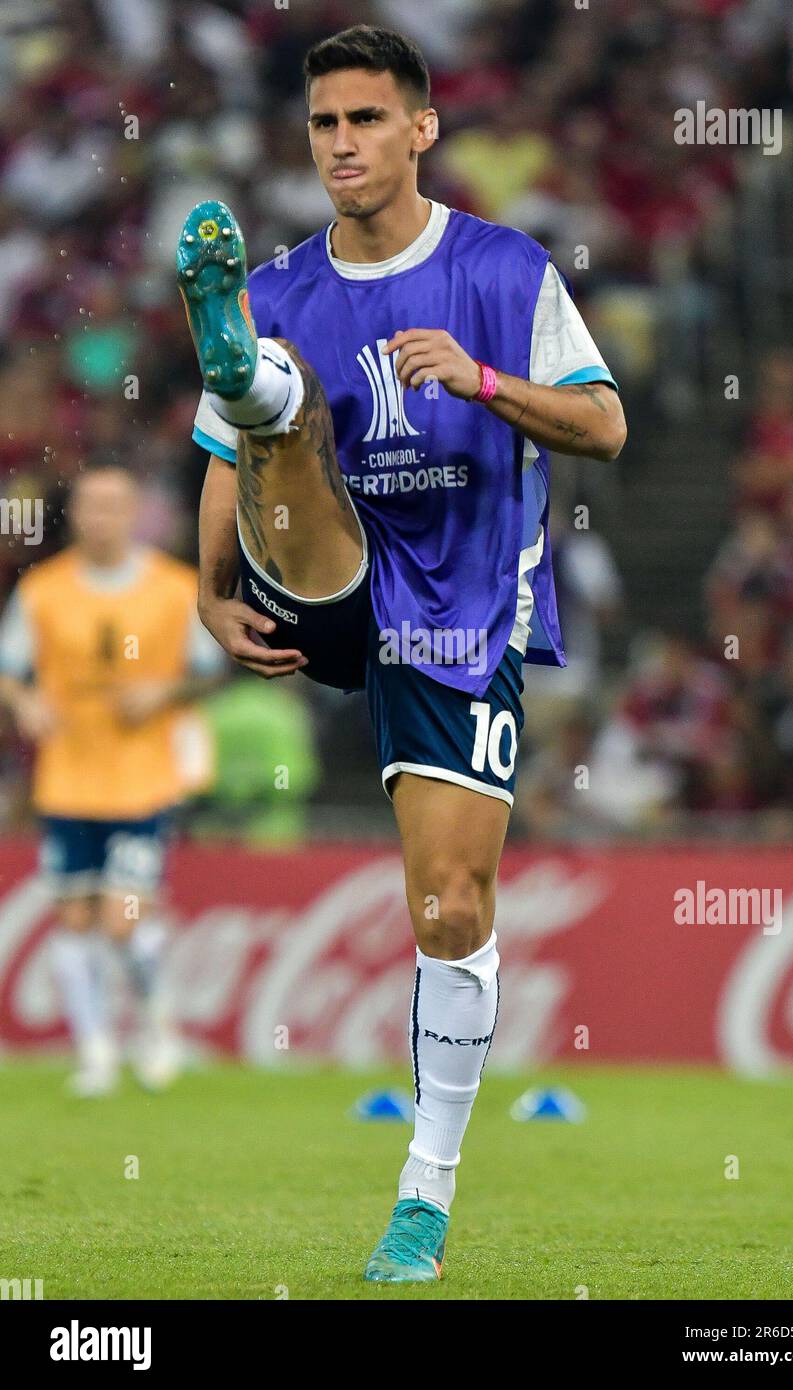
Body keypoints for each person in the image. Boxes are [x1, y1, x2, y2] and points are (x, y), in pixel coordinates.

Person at [179, 24, 626, 1283]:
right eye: (324, 125)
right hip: (322, 560)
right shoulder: (285, 282)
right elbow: (213, 468)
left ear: (422, 128)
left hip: (462, 611)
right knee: (278, 415)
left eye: (366, 120)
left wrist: (482, 380)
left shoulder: (503, 268)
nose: (341, 146)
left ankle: (422, 1200)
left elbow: (605, 420)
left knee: (451, 906)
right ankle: (257, 380)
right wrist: (207, 591)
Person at [0, 464, 224, 1096]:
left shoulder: (174, 588)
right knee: (73, 919)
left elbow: (210, 669)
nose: (101, 517)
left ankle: (156, 1026)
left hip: (143, 779)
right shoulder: (43, 591)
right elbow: (9, 669)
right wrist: (24, 703)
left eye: (113, 506)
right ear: (76, 515)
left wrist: (164, 691)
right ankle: (95, 1050)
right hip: (67, 779)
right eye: (90, 505)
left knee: (122, 919)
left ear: (134, 514)